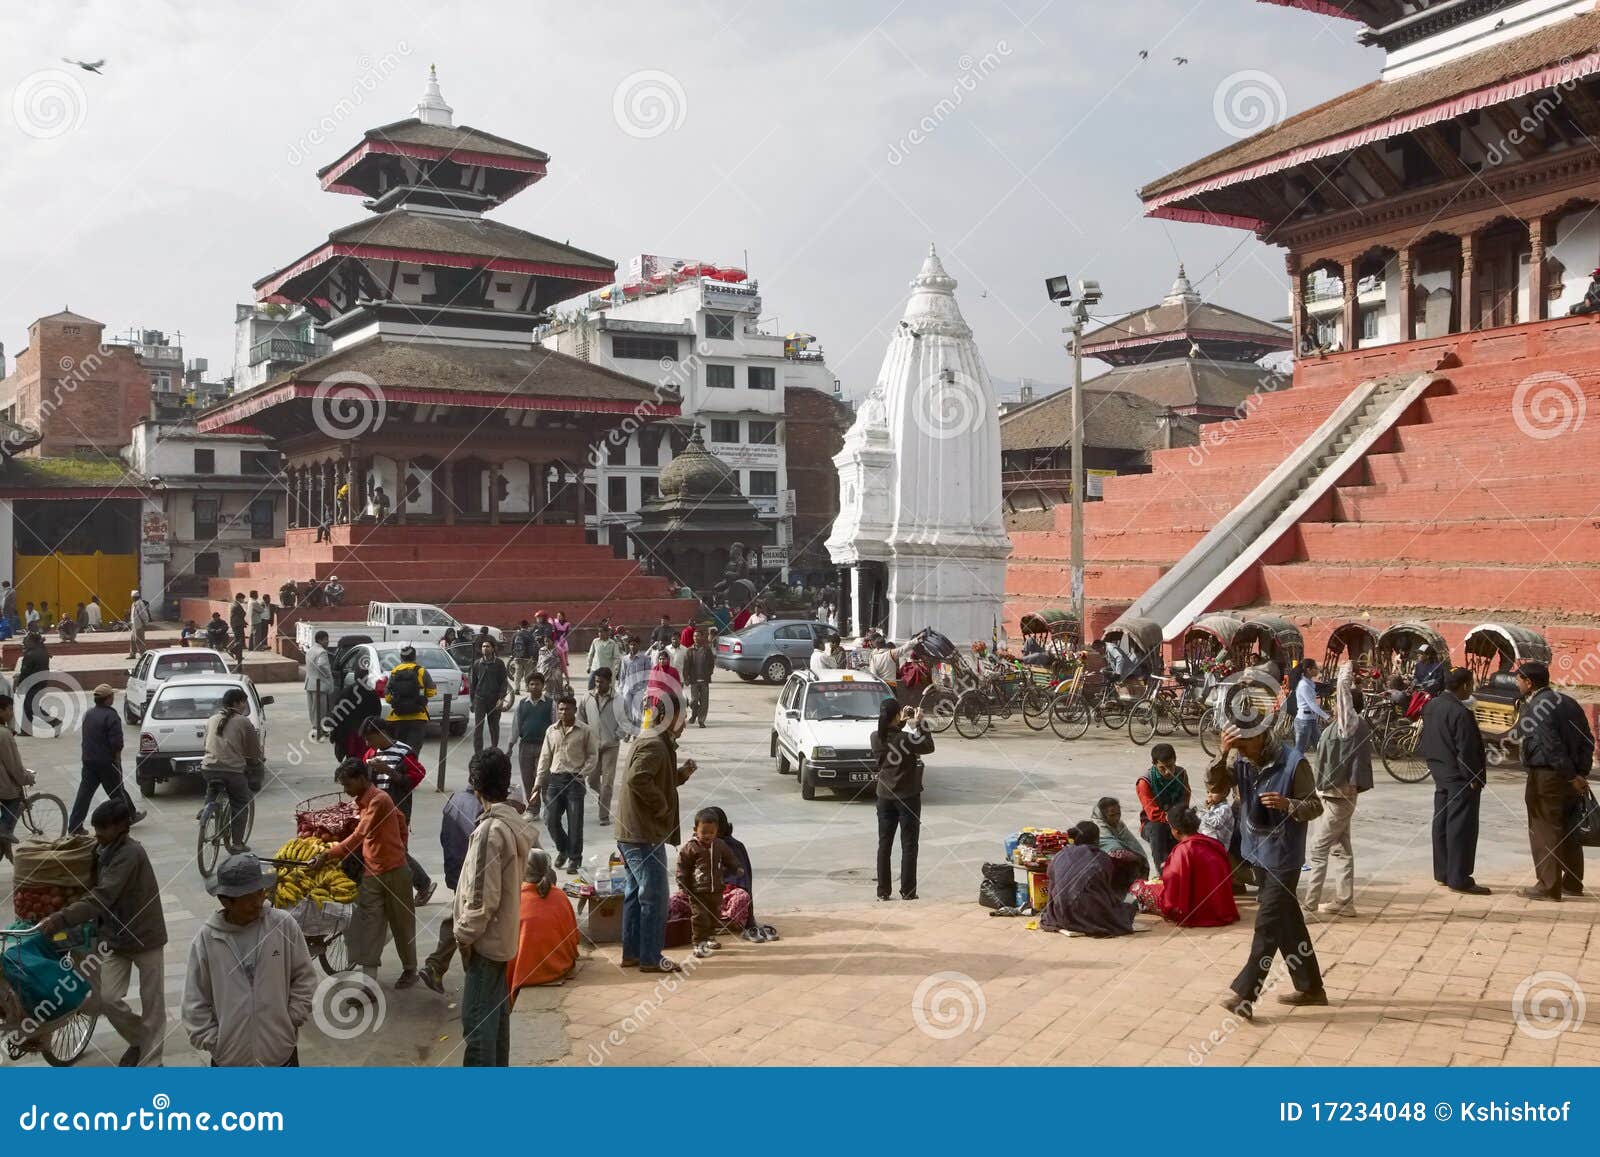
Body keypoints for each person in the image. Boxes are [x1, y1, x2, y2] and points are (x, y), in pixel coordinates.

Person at [39, 797, 167, 1065]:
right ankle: (139, 1039)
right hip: (115, 938)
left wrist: (61, 918)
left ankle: (153, 1064)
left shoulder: (131, 854)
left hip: (146, 936)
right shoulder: (101, 849)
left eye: (103, 829)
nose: (97, 834)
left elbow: (103, 896)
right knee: (107, 999)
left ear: (122, 827)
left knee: (153, 1004)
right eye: (96, 828)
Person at [1216, 725, 1326, 1020]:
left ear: (1263, 736)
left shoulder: (1294, 763)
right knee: (1289, 925)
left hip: (1284, 857)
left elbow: (1315, 807)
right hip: (1257, 853)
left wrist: (1288, 804)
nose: (1241, 750)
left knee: (1267, 925)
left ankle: (1245, 995)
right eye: (1236, 744)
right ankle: (1312, 988)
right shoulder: (1239, 759)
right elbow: (1216, 787)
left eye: (1245, 743)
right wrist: (1221, 753)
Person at [182, 854, 317, 1067]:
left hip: (280, 1052)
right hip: (229, 1058)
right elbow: (194, 998)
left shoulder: (283, 925)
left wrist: (291, 1019)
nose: (258, 902)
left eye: (260, 893)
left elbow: (304, 976)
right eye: (248, 897)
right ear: (226, 900)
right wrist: (212, 1040)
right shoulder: (207, 939)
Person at [453, 746, 532, 1067]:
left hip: (485, 944)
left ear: (476, 785)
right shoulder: (510, 823)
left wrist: (463, 935)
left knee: (477, 1028)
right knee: (495, 1025)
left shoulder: (490, 830)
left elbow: (482, 899)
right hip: (501, 941)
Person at [313, 758, 418, 988]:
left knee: (402, 923)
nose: (346, 790)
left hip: (395, 871)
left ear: (361, 779)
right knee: (369, 926)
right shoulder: (362, 802)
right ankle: (368, 984)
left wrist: (330, 854)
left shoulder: (379, 800)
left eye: (347, 784)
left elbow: (360, 834)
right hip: (372, 873)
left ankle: (410, 970)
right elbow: (400, 819)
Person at [615, 707, 697, 973]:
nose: (684, 723)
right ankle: (650, 957)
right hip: (643, 834)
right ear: (667, 719)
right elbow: (638, 779)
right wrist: (661, 805)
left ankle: (633, 953)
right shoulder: (655, 745)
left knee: (634, 894)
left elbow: (655, 778)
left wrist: (681, 774)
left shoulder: (655, 742)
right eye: (681, 718)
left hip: (633, 833)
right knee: (654, 896)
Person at [1510, 660, 1594, 901]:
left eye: (1519, 680)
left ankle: (1548, 886)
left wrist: (1570, 775)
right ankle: (1573, 882)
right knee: (1568, 827)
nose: (1517, 683)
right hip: (1571, 775)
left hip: (1548, 776)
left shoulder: (1538, 706)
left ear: (1529, 682)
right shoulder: (1568, 702)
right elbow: (1587, 739)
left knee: (1545, 829)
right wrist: (1580, 774)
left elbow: (1551, 746)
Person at [1305, 661, 1374, 916]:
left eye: (1337, 703)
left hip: (1339, 796)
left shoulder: (1350, 725)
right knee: (1341, 849)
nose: (1334, 706)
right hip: (1331, 794)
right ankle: (1345, 902)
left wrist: (1346, 670)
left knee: (1319, 848)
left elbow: (1344, 693)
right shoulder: (1340, 726)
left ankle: (1309, 906)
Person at [1419, 665, 1490, 895]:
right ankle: (1459, 877)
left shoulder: (1431, 706)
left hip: (1440, 771)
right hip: (1460, 776)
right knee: (1461, 826)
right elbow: (1466, 749)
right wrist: (1473, 777)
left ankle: (1442, 872)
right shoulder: (1460, 712)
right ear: (1466, 685)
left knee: (1442, 822)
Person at [359, 717, 435, 905]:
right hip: (376, 810)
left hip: (398, 810)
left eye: (370, 739)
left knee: (398, 851)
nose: (368, 744)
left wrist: (389, 771)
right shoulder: (370, 753)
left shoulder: (404, 753)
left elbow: (416, 776)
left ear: (381, 734)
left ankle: (423, 884)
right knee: (388, 849)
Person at [1132, 805, 1239, 928]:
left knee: (1138, 886)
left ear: (1176, 831)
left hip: (1193, 910)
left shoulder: (1183, 851)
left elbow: (1171, 894)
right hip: (1222, 908)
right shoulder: (1214, 844)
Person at [874, 700, 934, 901]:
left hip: (884, 796)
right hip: (907, 796)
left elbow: (893, 737)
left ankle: (883, 891)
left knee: (885, 845)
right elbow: (928, 746)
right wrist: (920, 724)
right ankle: (908, 891)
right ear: (894, 715)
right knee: (909, 845)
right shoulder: (907, 738)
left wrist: (903, 721)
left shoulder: (875, 737)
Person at [1039, 822, 1137, 937]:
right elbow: (1105, 886)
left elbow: (1051, 877)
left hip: (1060, 914)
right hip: (1089, 914)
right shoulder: (1102, 858)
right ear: (1097, 839)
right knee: (1127, 909)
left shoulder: (1060, 855)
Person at [535, 693, 596, 875]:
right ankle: (563, 849)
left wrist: (583, 773)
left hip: (575, 781)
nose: (563, 712)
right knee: (550, 818)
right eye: (560, 709)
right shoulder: (551, 730)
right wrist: (538, 782)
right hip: (555, 780)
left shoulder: (585, 730)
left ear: (575, 710)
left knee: (575, 822)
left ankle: (575, 859)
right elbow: (545, 757)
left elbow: (593, 755)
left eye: (567, 709)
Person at [509, 846, 580, 995]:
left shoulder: (513, 899)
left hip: (522, 973)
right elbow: (574, 938)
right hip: (558, 967)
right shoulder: (560, 896)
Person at [69, 683, 137, 833]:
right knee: (117, 794)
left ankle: (74, 826)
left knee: (84, 795)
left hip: (89, 761)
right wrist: (117, 760)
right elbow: (117, 743)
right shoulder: (111, 716)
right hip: (107, 762)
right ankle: (126, 820)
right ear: (108, 699)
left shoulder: (89, 714)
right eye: (112, 695)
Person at [202, 686, 263, 854]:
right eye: (243, 702)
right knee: (240, 803)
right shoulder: (243, 721)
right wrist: (255, 762)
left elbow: (206, 743)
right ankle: (237, 844)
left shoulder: (212, 719)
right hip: (232, 771)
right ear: (237, 703)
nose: (245, 705)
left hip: (208, 768)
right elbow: (254, 750)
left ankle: (207, 807)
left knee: (212, 785)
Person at [677, 807, 736, 958]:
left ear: (717, 831)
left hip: (716, 889)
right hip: (697, 891)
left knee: (714, 915)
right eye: (704, 832)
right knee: (700, 917)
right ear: (695, 829)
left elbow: (730, 858)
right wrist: (682, 883)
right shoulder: (690, 848)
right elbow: (682, 867)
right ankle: (698, 943)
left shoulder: (720, 845)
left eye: (712, 832)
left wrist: (736, 868)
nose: (708, 836)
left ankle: (710, 937)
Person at [1135, 743, 1190, 876]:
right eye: (1162, 768)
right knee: (1158, 830)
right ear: (1154, 764)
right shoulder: (1145, 782)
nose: (1168, 772)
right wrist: (1172, 820)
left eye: (1170, 766)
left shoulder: (1181, 774)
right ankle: (1163, 875)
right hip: (1152, 824)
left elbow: (1185, 802)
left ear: (1175, 761)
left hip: (1176, 820)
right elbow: (1153, 814)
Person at [580, 667, 624, 824]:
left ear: (609, 682)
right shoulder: (587, 697)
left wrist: (616, 736)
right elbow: (581, 719)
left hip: (610, 746)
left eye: (602, 682)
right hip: (592, 746)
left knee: (607, 783)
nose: (598, 684)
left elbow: (624, 721)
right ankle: (603, 797)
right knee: (591, 780)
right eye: (596, 681)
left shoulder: (618, 699)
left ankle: (604, 815)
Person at [384, 643, 436, 752]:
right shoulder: (421, 671)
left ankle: (399, 769)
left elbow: (388, 697)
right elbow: (431, 692)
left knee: (399, 752)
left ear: (401, 657)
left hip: (398, 718)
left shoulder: (395, 672)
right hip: (418, 718)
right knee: (413, 753)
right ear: (414, 657)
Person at [0, 696, 33, 862]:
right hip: (3, 787)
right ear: (1, 711)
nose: (11, 712)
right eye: (9, 709)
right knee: (13, 801)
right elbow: (14, 767)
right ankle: (4, 831)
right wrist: (27, 778)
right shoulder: (4, 735)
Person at [513, 672, 554, 803]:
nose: (535, 686)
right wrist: (509, 745)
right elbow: (516, 726)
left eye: (537, 684)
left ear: (543, 686)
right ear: (527, 686)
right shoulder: (522, 704)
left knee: (544, 779)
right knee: (527, 779)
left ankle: (549, 808)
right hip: (525, 746)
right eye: (532, 684)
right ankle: (532, 808)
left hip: (544, 747)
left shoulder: (551, 704)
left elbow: (555, 726)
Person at [1088, 797, 1150, 881]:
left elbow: (1132, 844)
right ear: (1102, 815)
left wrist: (1140, 858)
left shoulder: (1119, 825)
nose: (1116, 818)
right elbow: (1114, 850)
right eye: (1112, 815)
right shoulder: (1097, 828)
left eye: (1118, 814)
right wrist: (1134, 858)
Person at [470, 638, 510, 754]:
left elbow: (504, 682)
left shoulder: (499, 663)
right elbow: (473, 684)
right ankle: (478, 753)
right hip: (480, 699)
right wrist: (472, 701)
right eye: (483, 646)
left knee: (494, 727)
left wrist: (501, 698)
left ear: (493, 649)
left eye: (487, 646)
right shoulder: (477, 664)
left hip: (494, 700)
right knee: (478, 728)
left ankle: (494, 750)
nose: (485, 648)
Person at [17, 631, 61, 735]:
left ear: (32, 641)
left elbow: (25, 671)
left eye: (27, 640)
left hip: (34, 684)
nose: (25, 642)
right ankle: (26, 730)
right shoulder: (42, 650)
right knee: (30, 705)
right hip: (41, 682)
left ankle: (54, 722)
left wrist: (19, 684)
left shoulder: (30, 654)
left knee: (30, 705)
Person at [1293, 658, 1330, 753]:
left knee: (1320, 746)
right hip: (1303, 721)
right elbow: (1312, 705)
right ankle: (1292, 767)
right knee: (1299, 750)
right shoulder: (1303, 685)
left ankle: (1323, 767)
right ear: (1309, 670)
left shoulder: (1309, 683)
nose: (1317, 669)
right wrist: (1327, 717)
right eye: (1315, 668)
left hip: (1311, 719)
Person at [304, 629, 335, 740]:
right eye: (326, 640)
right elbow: (322, 665)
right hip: (319, 685)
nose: (328, 642)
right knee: (320, 710)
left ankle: (316, 728)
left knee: (313, 709)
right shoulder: (321, 652)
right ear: (320, 640)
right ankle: (319, 730)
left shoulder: (310, 650)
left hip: (310, 684)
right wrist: (327, 675)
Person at [682, 627, 715, 728]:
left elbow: (711, 663)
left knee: (704, 702)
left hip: (704, 680)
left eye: (698, 636)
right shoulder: (689, 650)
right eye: (694, 636)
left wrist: (709, 673)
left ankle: (701, 720)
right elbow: (686, 666)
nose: (696, 638)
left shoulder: (707, 650)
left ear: (702, 637)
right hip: (694, 680)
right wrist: (686, 678)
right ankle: (695, 712)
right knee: (694, 701)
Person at [586, 624, 620, 691]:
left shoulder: (613, 643)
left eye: (601, 632)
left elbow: (617, 658)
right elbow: (591, 654)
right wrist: (588, 666)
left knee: (608, 690)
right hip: (595, 669)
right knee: (590, 688)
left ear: (607, 633)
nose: (599, 634)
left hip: (607, 671)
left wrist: (616, 671)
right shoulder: (595, 641)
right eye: (599, 632)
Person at [127, 589, 151, 659]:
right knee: (132, 640)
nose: (131, 598)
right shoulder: (133, 604)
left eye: (132, 597)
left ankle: (143, 655)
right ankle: (132, 654)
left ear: (134, 597)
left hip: (139, 626)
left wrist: (145, 623)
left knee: (139, 641)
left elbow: (144, 615)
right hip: (134, 626)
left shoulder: (140, 603)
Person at [551, 611, 571, 675]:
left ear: (563, 616)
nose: (558, 617)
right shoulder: (555, 622)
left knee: (566, 649)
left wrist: (564, 638)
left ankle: (566, 661)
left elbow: (567, 632)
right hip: (556, 640)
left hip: (563, 639)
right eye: (558, 616)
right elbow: (554, 631)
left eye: (560, 616)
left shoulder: (567, 624)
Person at [228, 593, 247, 658]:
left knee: (238, 639)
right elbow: (243, 613)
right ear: (239, 598)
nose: (243, 600)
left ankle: (237, 654)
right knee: (239, 640)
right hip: (237, 625)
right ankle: (232, 650)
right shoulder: (236, 605)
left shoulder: (235, 604)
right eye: (242, 598)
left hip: (237, 624)